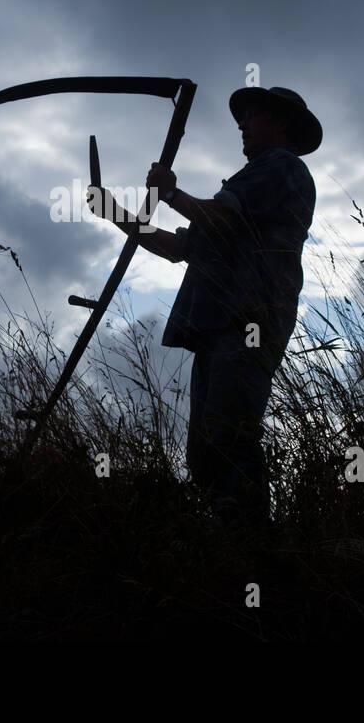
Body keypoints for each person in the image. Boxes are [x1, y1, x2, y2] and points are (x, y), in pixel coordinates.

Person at [88, 86, 319, 527]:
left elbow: (219, 217)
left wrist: (173, 194)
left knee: (229, 433)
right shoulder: (247, 183)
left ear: (282, 124)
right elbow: (178, 247)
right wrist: (114, 212)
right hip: (219, 324)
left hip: (247, 321)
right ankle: (227, 535)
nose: (242, 125)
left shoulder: (282, 168)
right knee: (205, 450)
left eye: (253, 116)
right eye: (242, 117)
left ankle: (251, 544)